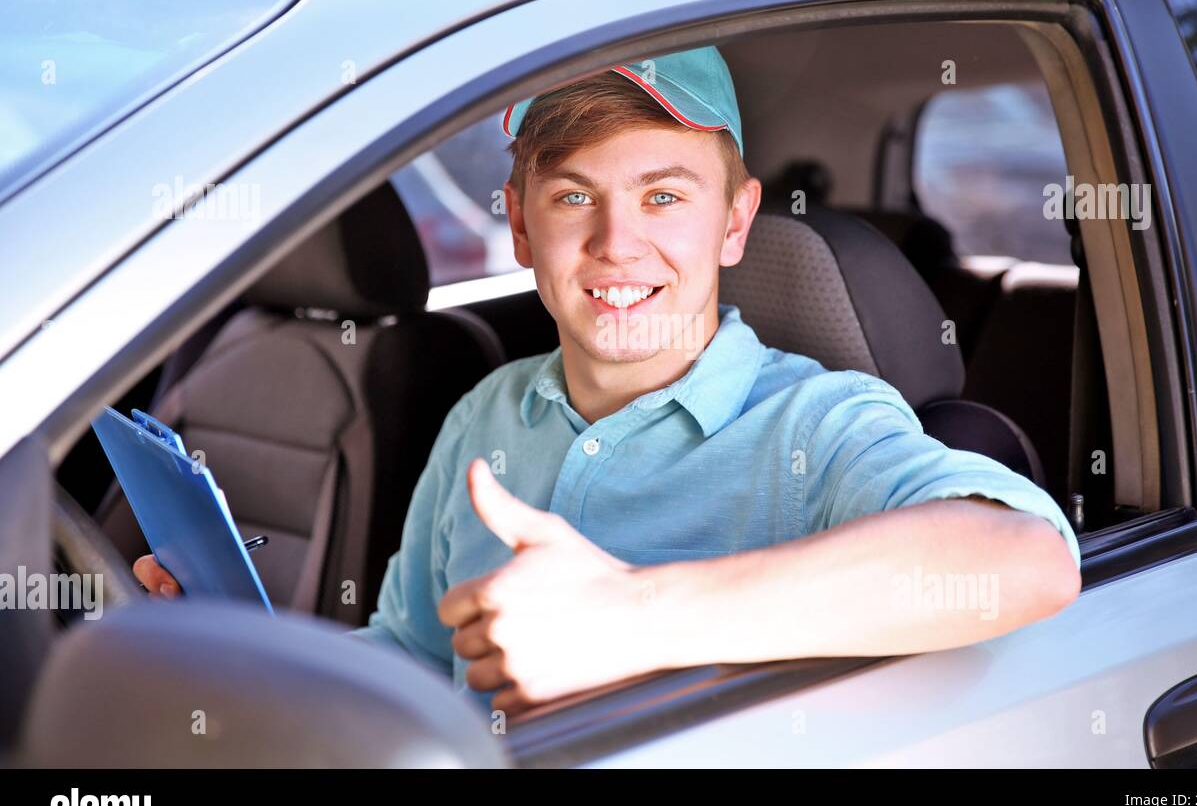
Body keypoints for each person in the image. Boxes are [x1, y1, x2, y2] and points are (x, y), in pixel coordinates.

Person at [136, 46, 1081, 716]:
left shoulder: (818, 423)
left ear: (735, 222)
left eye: (663, 196)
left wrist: (633, 616)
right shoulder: (485, 415)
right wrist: (246, 659)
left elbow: (1027, 559)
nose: (616, 243)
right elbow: (414, 657)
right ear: (518, 225)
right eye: (573, 196)